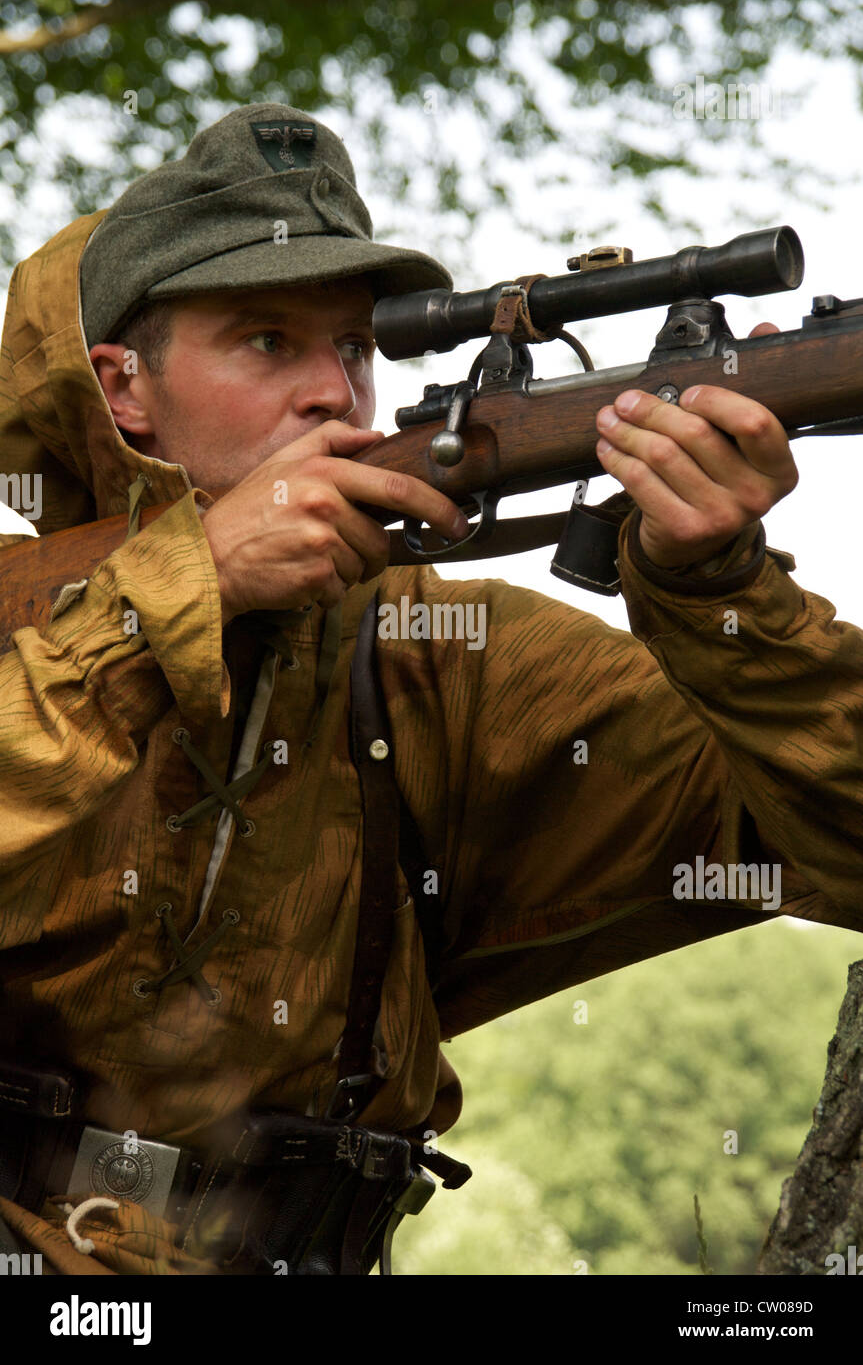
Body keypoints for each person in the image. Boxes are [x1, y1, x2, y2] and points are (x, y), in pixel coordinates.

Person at [0, 102, 860, 1276]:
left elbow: (830, 842)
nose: (333, 396)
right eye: (265, 341)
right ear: (124, 386)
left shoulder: (435, 653)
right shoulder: (27, 619)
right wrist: (173, 602)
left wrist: (715, 591)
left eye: (354, 347)